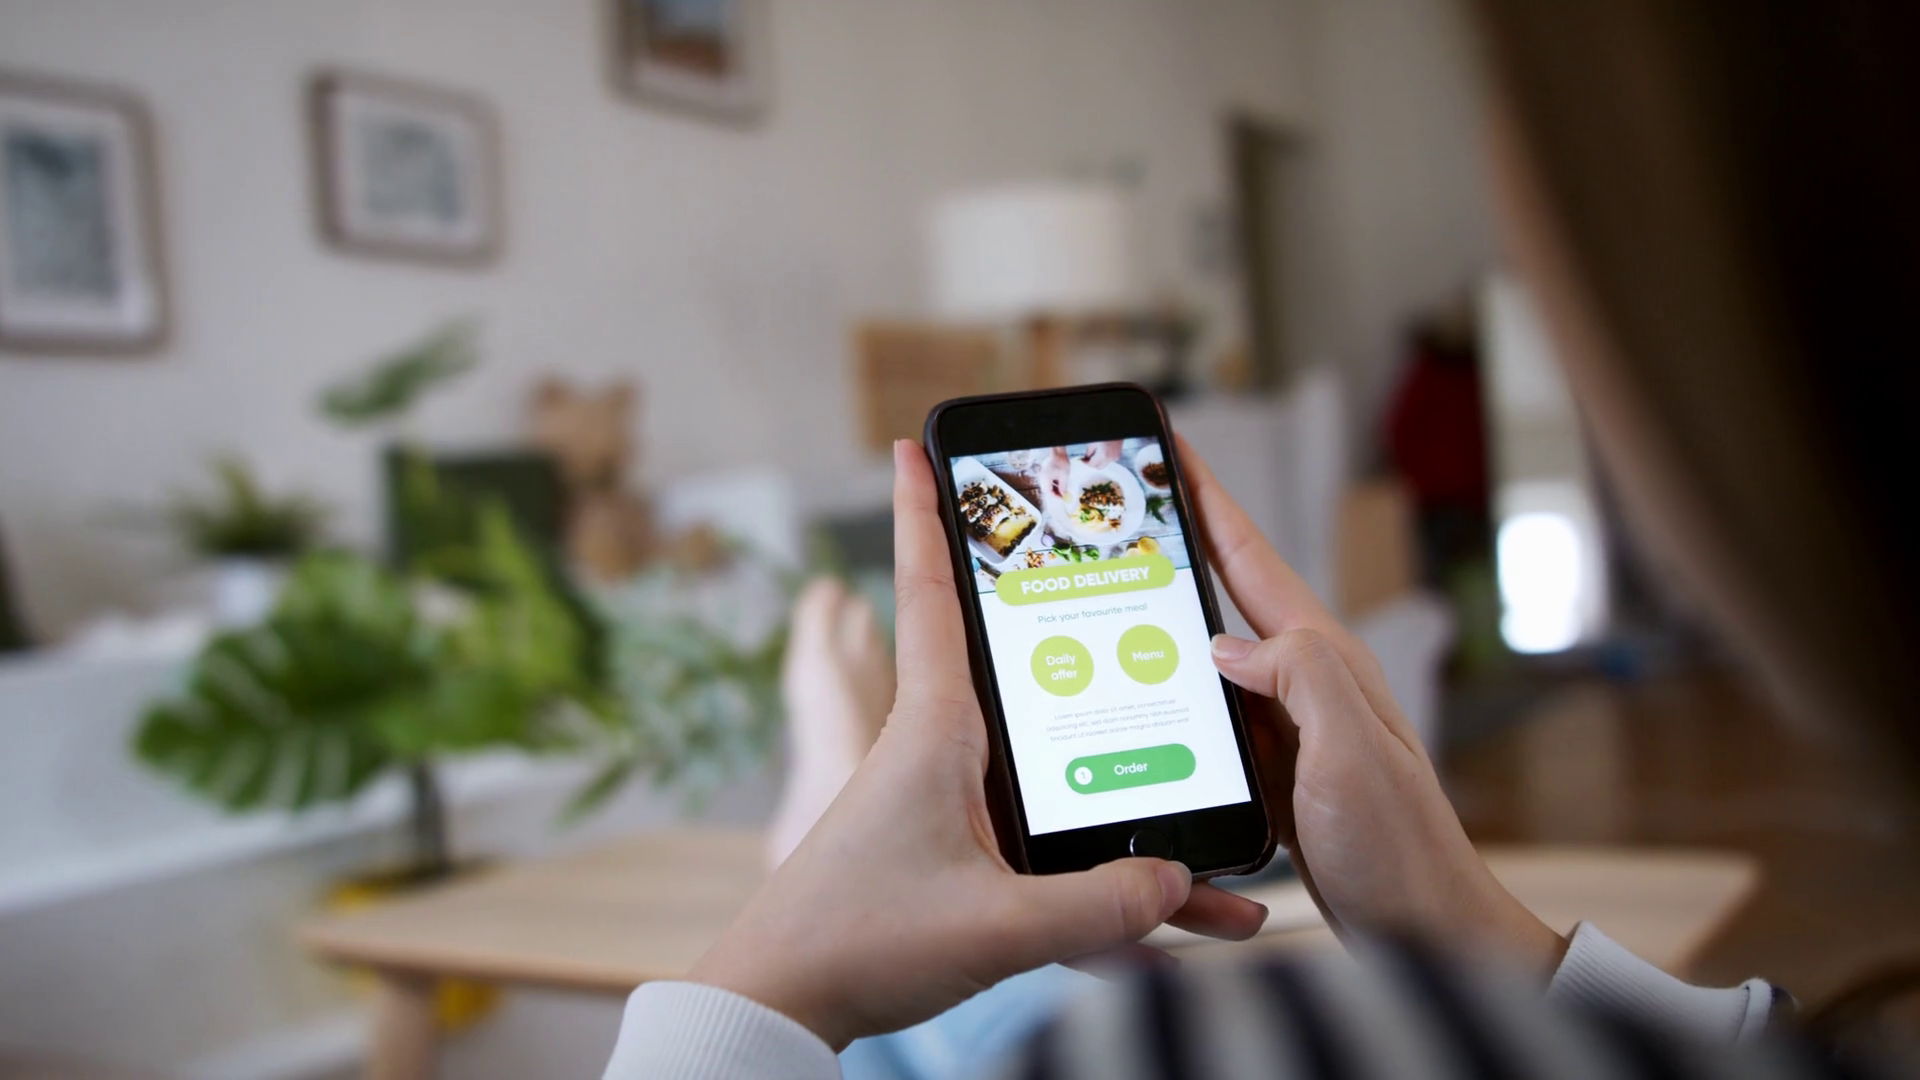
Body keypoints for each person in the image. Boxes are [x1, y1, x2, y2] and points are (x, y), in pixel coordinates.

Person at [602, 0, 1920, 1074]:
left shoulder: (1183, 1049)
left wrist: (771, 982)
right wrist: (1457, 917)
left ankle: (816, 821)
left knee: (963, 1030)